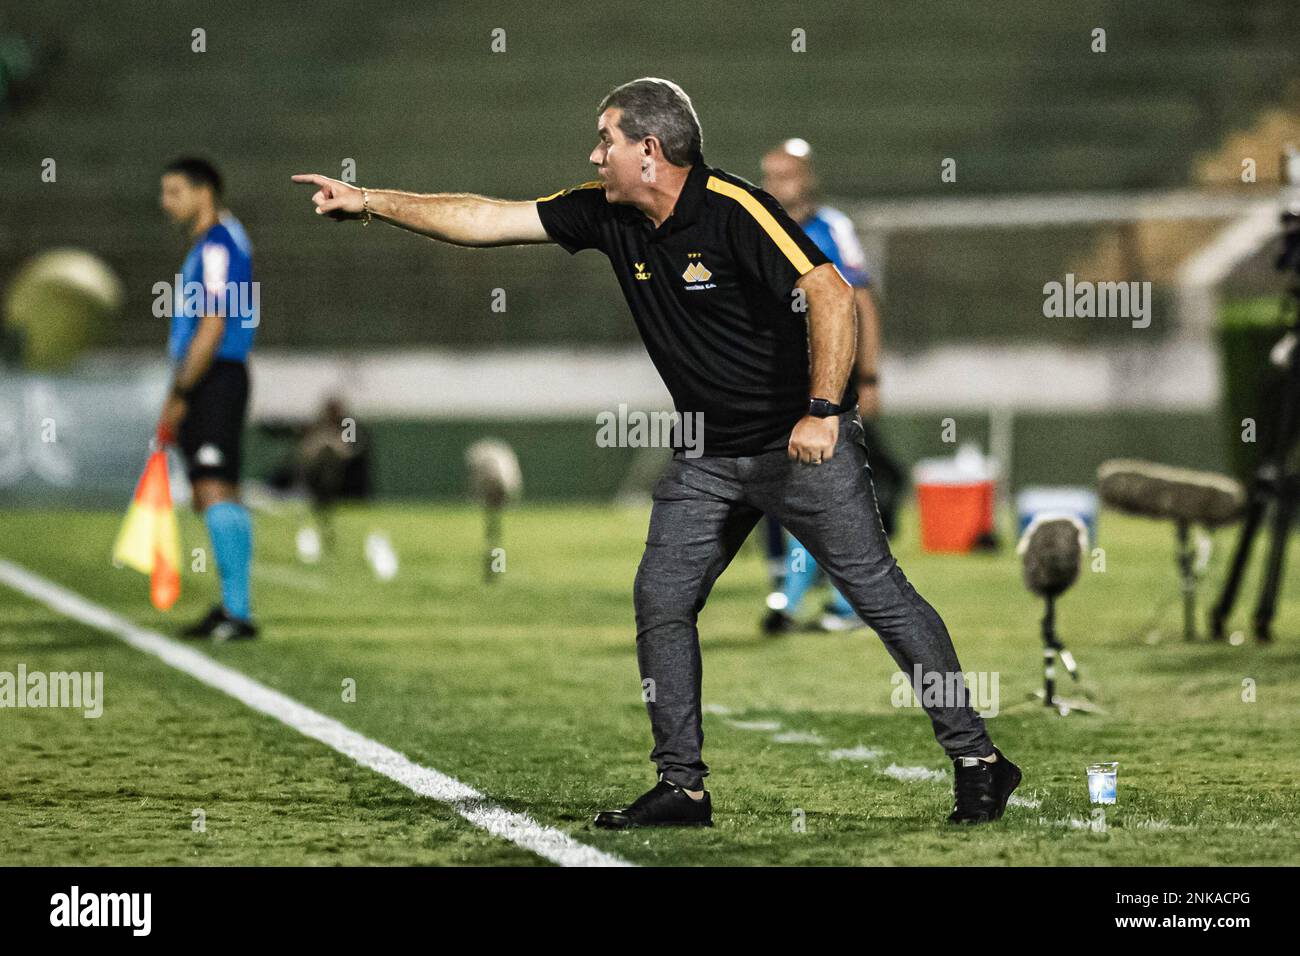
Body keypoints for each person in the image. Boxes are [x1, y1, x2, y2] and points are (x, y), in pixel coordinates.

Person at [292, 77, 1020, 827]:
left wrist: (825, 410)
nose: (593, 152)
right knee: (662, 600)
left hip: (795, 446)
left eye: (605, 139)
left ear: (649, 150)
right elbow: (484, 218)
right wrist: (372, 201)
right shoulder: (607, 212)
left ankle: (978, 761)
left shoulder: (734, 209)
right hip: (706, 455)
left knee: (881, 599)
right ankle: (684, 788)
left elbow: (831, 293)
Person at [758, 137, 906, 635]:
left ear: (807, 178)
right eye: (769, 175)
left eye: (785, 175)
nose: (776, 185)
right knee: (789, 489)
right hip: (779, 385)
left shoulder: (831, 228)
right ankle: (804, 596)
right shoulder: (758, 226)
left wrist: (868, 376)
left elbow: (859, 301)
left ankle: (811, 601)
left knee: (830, 490)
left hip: (830, 381)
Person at [157, 157, 258, 641]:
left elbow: (213, 323)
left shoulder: (217, 245)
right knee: (212, 490)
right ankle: (231, 607)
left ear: (204, 192)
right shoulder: (218, 241)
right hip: (216, 376)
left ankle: (238, 612)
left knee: (213, 488)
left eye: (174, 191)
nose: (166, 202)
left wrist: (181, 391)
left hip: (215, 376)